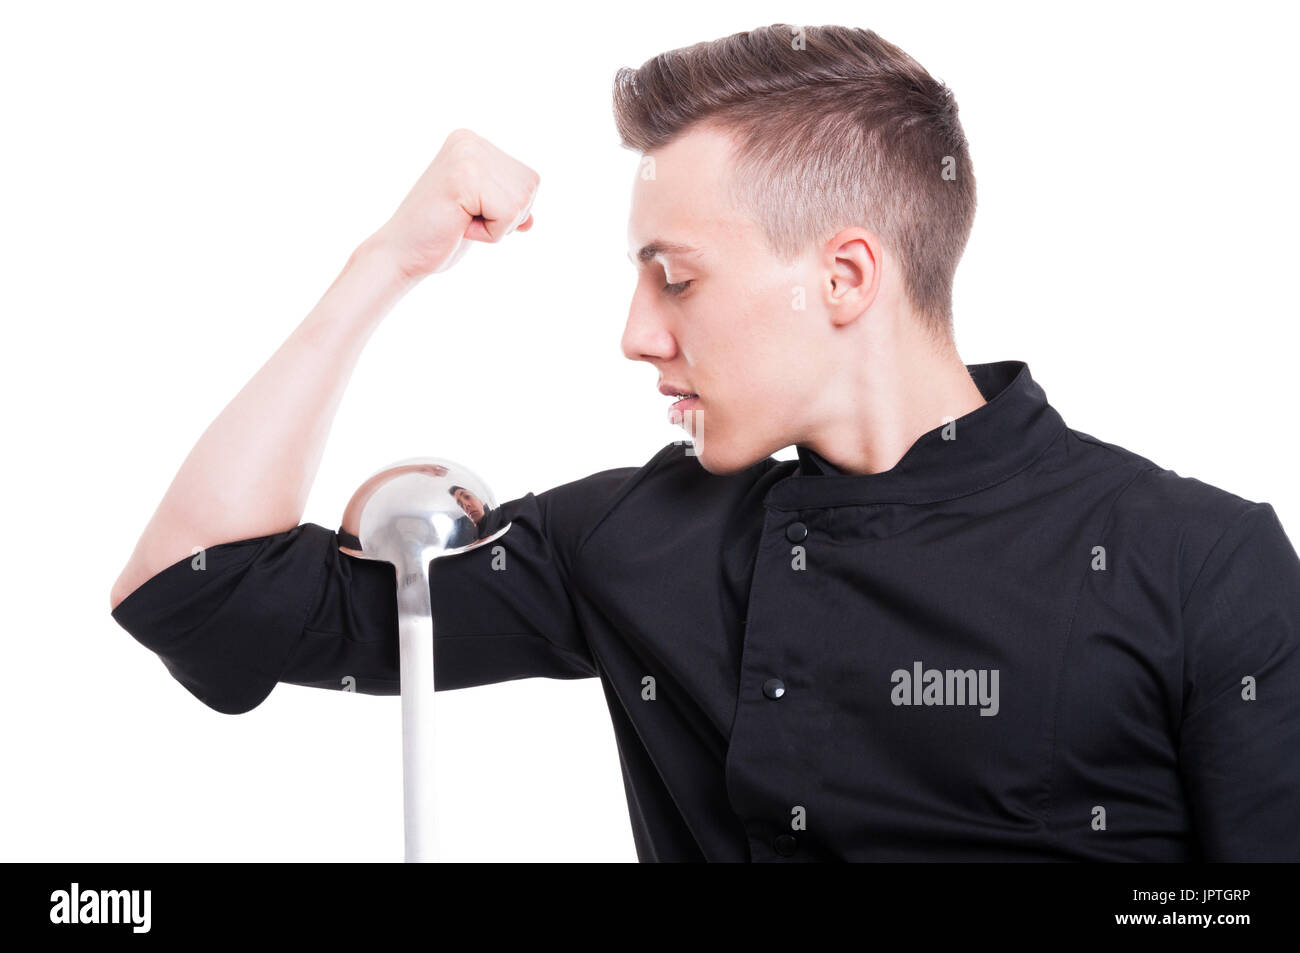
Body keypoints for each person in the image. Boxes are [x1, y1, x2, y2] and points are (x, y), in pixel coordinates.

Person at [108, 23, 1300, 862]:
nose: (635, 334)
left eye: (674, 279)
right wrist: (387, 263)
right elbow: (196, 593)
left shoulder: (1202, 562)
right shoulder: (631, 541)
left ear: (842, 278)